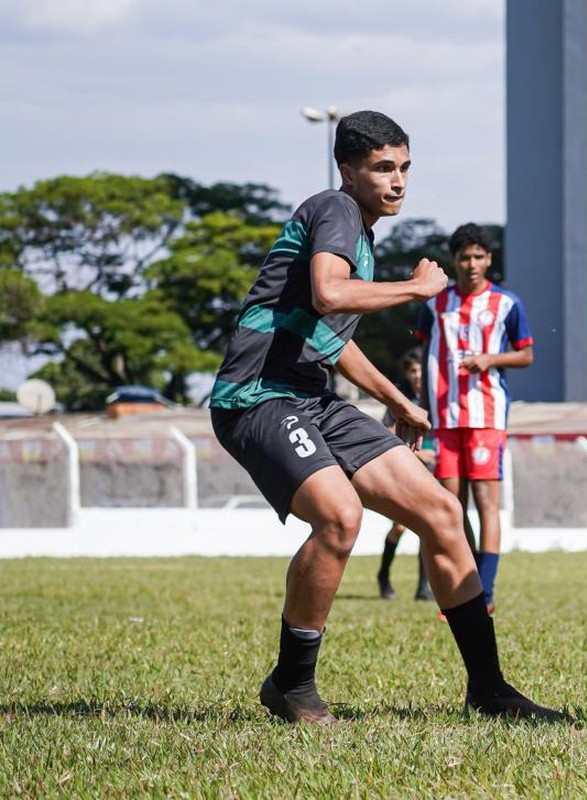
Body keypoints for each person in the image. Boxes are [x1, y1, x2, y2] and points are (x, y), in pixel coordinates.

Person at [209, 111, 555, 725]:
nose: (398, 181)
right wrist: (417, 288)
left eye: (404, 168)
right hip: (258, 396)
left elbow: (329, 334)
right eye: (382, 168)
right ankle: (291, 684)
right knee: (341, 519)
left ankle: (489, 689)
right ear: (347, 169)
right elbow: (330, 295)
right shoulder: (336, 211)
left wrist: (398, 402)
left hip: (312, 397)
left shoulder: (360, 235)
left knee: (443, 514)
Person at [416, 223, 534, 613]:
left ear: (489, 259)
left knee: (486, 502)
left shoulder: (506, 304)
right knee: (450, 506)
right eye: (464, 257)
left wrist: (491, 359)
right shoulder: (434, 304)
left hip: (486, 416)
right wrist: (418, 410)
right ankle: (463, 587)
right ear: (454, 260)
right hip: (443, 420)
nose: (471, 264)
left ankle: (485, 592)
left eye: (478, 256)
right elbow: (422, 354)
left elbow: (526, 355)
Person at [378, 347, 437, 602]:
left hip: (435, 472)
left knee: (428, 527)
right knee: (400, 527)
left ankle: (424, 588)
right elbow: (387, 433)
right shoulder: (399, 401)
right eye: (412, 371)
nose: (417, 376)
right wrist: (416, 454)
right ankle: (383, 576)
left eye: (420, 371)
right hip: (407, 470)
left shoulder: (437, 399)